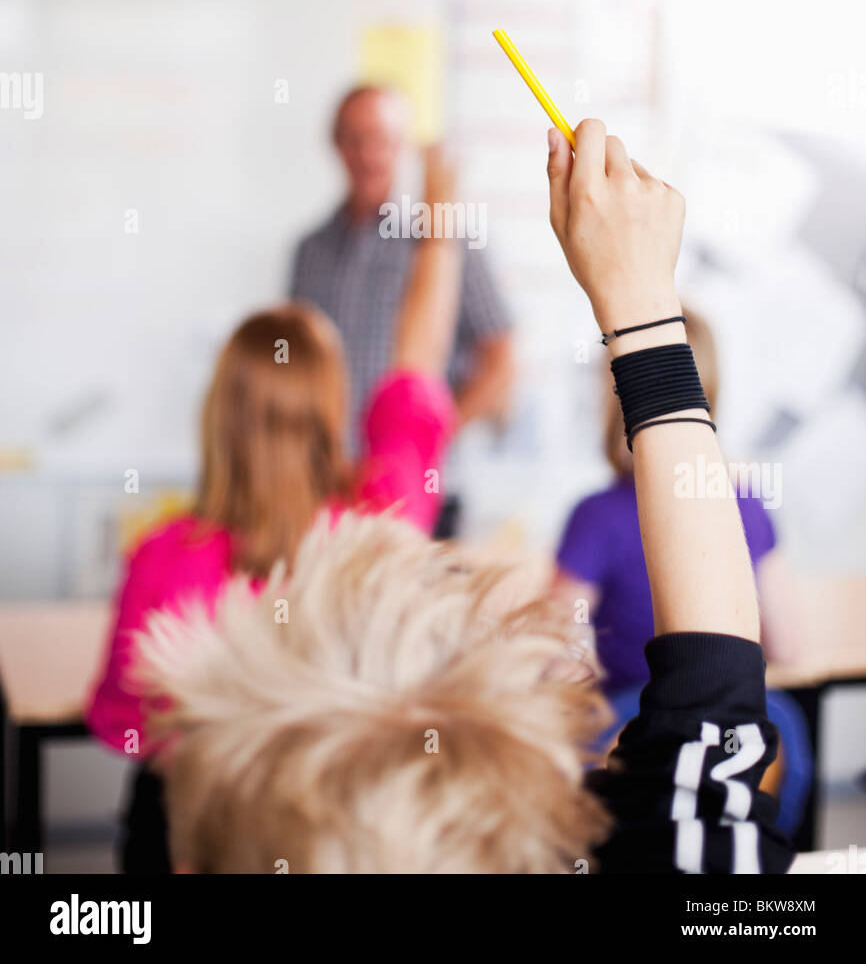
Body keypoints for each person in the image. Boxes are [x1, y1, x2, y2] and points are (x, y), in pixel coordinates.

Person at [134, 119, 795, 874]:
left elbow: (709, 700)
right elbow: (713, 704)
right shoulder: (378, 507)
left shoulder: (171, 552)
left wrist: (639, 309)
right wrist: (637, 300)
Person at [87, 148, 462, 872]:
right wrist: (440, 222)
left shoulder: (162, 557)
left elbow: (127, 724)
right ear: (332, 407)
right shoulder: (382, 517)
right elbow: (420, 359)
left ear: (218, 417)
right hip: (332, 830)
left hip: (196, 831)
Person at [554, 307, 813, 836]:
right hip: (750, 722)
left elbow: (558, 650)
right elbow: (787, 645)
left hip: (636, 713)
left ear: (611, 403)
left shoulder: (595, 516)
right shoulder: (746, 502)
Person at [289, 86, 515, 464]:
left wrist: (428, 438)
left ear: (401, 145)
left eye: (380, 139)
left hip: (418, 475)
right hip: (330, 473)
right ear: (335, 144)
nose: (367, 155)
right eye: (354, 139)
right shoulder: (310, 251)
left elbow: (501, 358)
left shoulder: (445, 238)